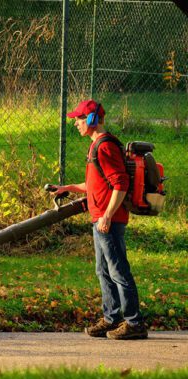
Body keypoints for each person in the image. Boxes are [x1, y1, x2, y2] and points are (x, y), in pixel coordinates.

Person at [51, 99, 148, 340]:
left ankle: (134, 322)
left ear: (92, 120)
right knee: (103, 271)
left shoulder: (104, 147)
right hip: (101, 219)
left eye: (79, 119)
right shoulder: (97, 146)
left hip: (109, 221)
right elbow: (96, 183)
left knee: (118, 271)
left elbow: (120, 184)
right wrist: (68, 187)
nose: (75, 123)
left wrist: (107, 215)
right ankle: (111, 318)